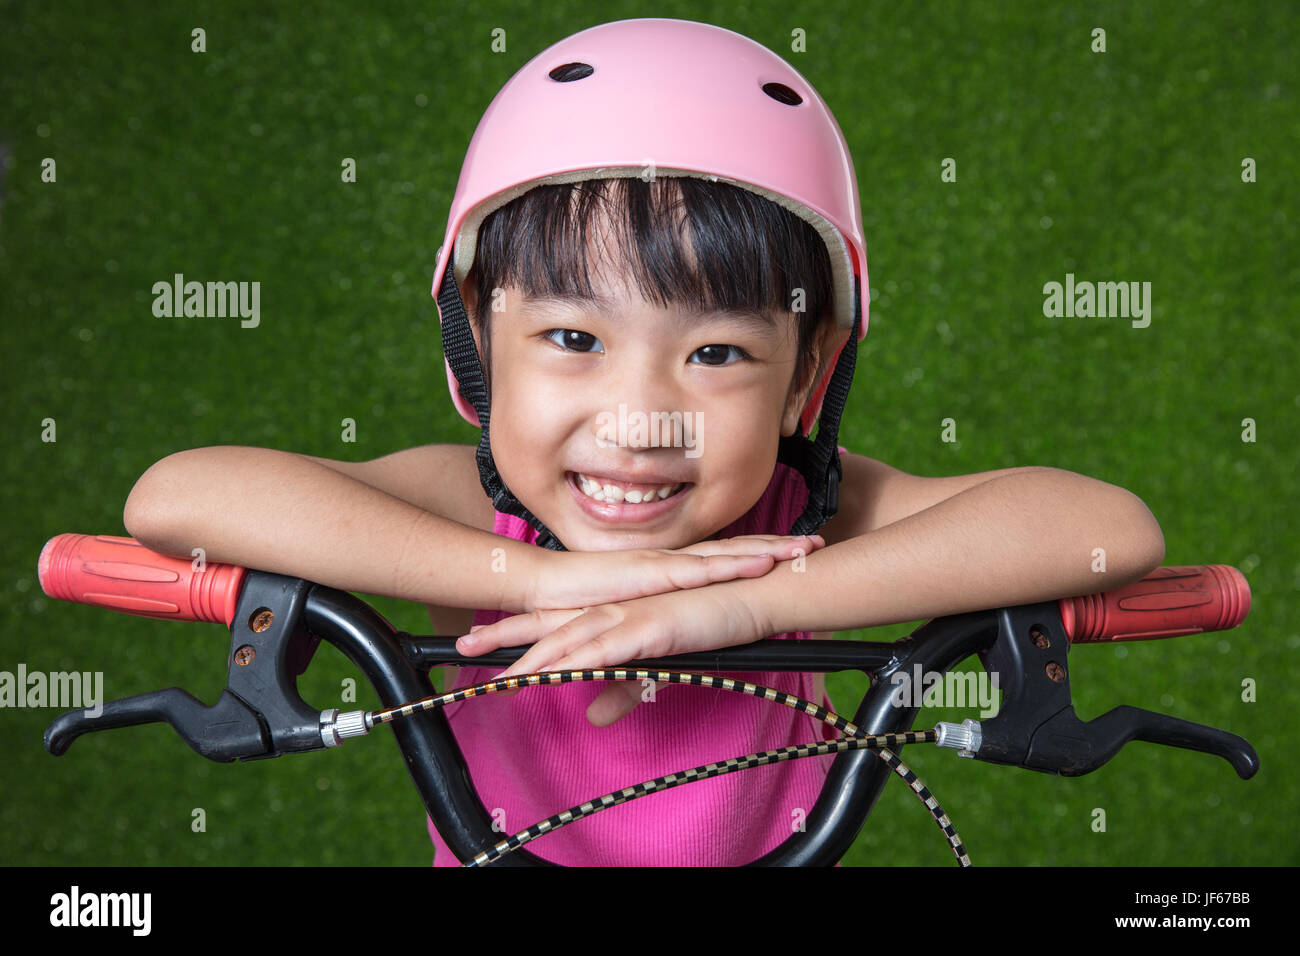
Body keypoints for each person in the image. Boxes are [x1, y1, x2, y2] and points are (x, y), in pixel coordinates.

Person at [124, 18, 1166, 867]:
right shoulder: (474, 507)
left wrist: (745, 601)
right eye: (573, 337)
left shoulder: (796, 522)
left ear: (807, 373)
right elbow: (177, 497)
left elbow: (1102, 526)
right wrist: (535, 581)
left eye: (716, 353)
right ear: (476, 342)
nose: (637, 419)